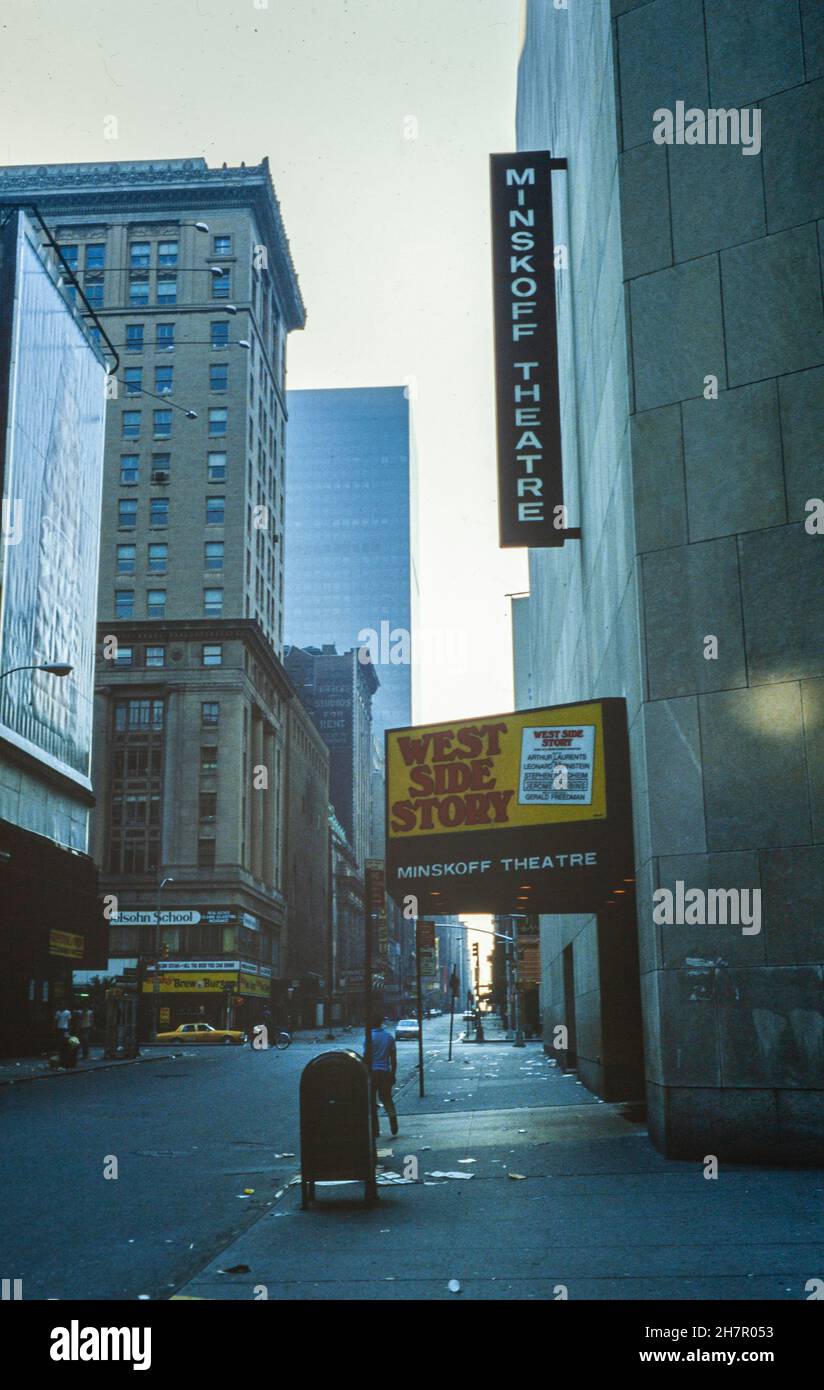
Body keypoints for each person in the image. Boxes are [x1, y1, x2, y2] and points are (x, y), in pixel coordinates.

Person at [365, 1013, 398, 1137]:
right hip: (385, 1072)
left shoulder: (368, 1038)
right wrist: (393, 1074)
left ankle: (375, 1129)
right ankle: (392, 1117)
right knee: (386, 1098)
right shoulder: (388, 1037)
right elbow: (393, 1058)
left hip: (372, 1073)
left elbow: (366, 1058)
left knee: (372, 1101)